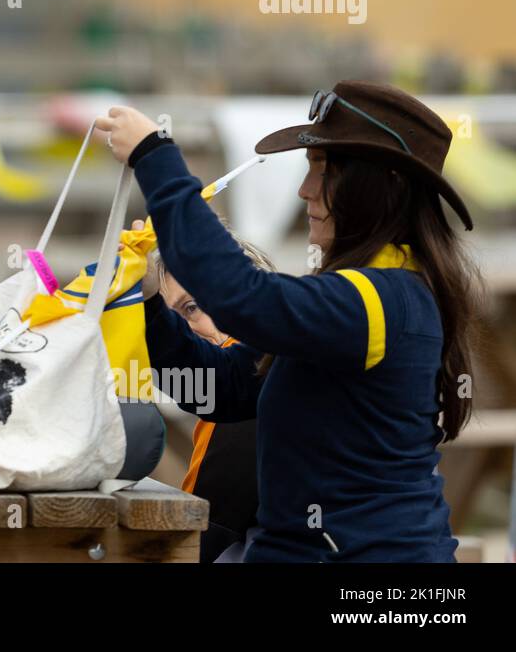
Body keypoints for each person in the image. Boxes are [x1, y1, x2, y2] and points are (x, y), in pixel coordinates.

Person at [96, 81, 480, 562]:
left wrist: (155, 157)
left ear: (381, 186)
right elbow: (223, 389)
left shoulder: (378, 300)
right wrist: (151, 300)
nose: (304, 190)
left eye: (323, 170)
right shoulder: (367, 295)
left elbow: (239, 296)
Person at [144, 235, 272, 562]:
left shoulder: (246, 390)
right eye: (170, 320)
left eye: (193, 307)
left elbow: (202, 536)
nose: (183, 331)